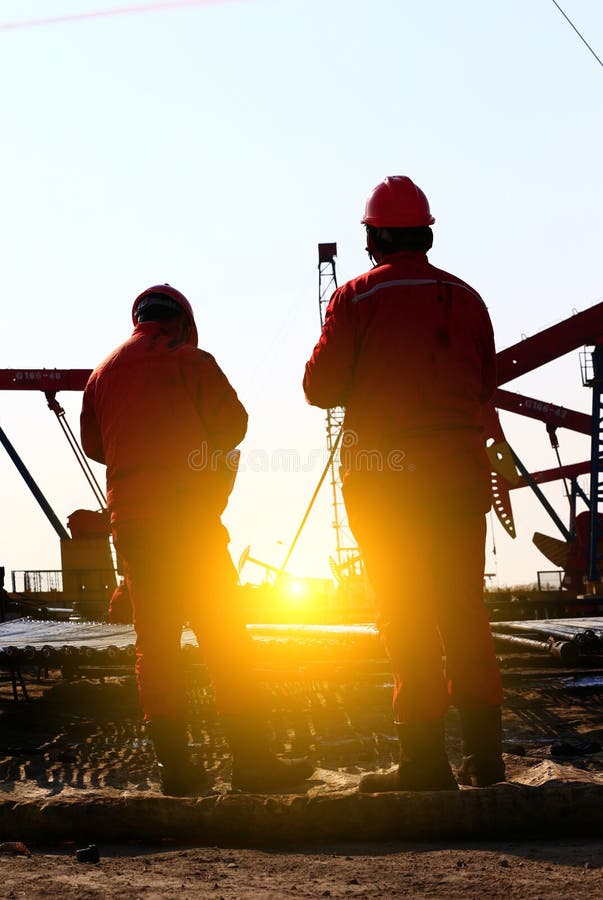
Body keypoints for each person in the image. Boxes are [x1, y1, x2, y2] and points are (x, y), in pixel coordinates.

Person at [303, 177, 505, 792]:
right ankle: (486, 762)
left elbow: (320, 389)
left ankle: (423, 765)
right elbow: (483, 383)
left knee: (409, 618)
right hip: (458, 479)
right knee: (464, 614)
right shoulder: (466, 299)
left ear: (375, 236)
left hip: (386, 487)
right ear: (427, 231)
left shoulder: (356, 298)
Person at [81, 284, 313, 796]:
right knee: (225, 637)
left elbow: (96, 446)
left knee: (157, 647)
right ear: (182, 322)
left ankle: (178, 774)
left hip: (134, 529)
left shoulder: (102, 375)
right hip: (189, 521)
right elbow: (234, 426)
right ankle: (252, 764)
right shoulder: (190, 360)